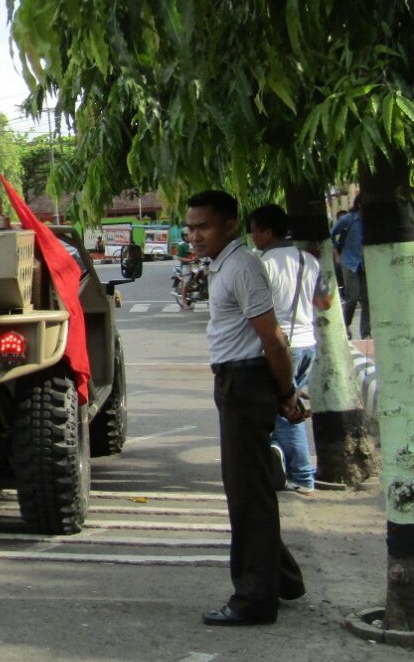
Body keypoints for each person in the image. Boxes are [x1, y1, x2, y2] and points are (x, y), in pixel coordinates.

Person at [185, 190, 306, 626]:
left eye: (204, 226)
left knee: (247, 496)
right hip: (236, 382)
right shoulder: (223, 266)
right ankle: (285, 578)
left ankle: (254, 600)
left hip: (246, 383)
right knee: (249, 488)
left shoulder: (242, 267)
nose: (194, 235)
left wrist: (287, 392)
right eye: (191, 227)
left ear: (231, 225)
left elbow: (272, 339)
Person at [248, 205, 333, 495]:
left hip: (280, 347)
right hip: (307, 343)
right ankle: (285, 470)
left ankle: (303, 476)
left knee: (288, 412)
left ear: (268, 232)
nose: (253, 236)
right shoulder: (309, 260)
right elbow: (325, 302)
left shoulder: (263, 264)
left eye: (255, 230)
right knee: (286, 408)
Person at [330, 195, 369, 339]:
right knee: (352, 298)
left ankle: (366, 333)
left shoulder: (368, 222)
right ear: (359, 205)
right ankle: (345, 325)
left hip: (364, 264)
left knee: (366, 299)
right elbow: (331, 234)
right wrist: (336, 254)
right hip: (349, 262)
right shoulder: (349, 219)